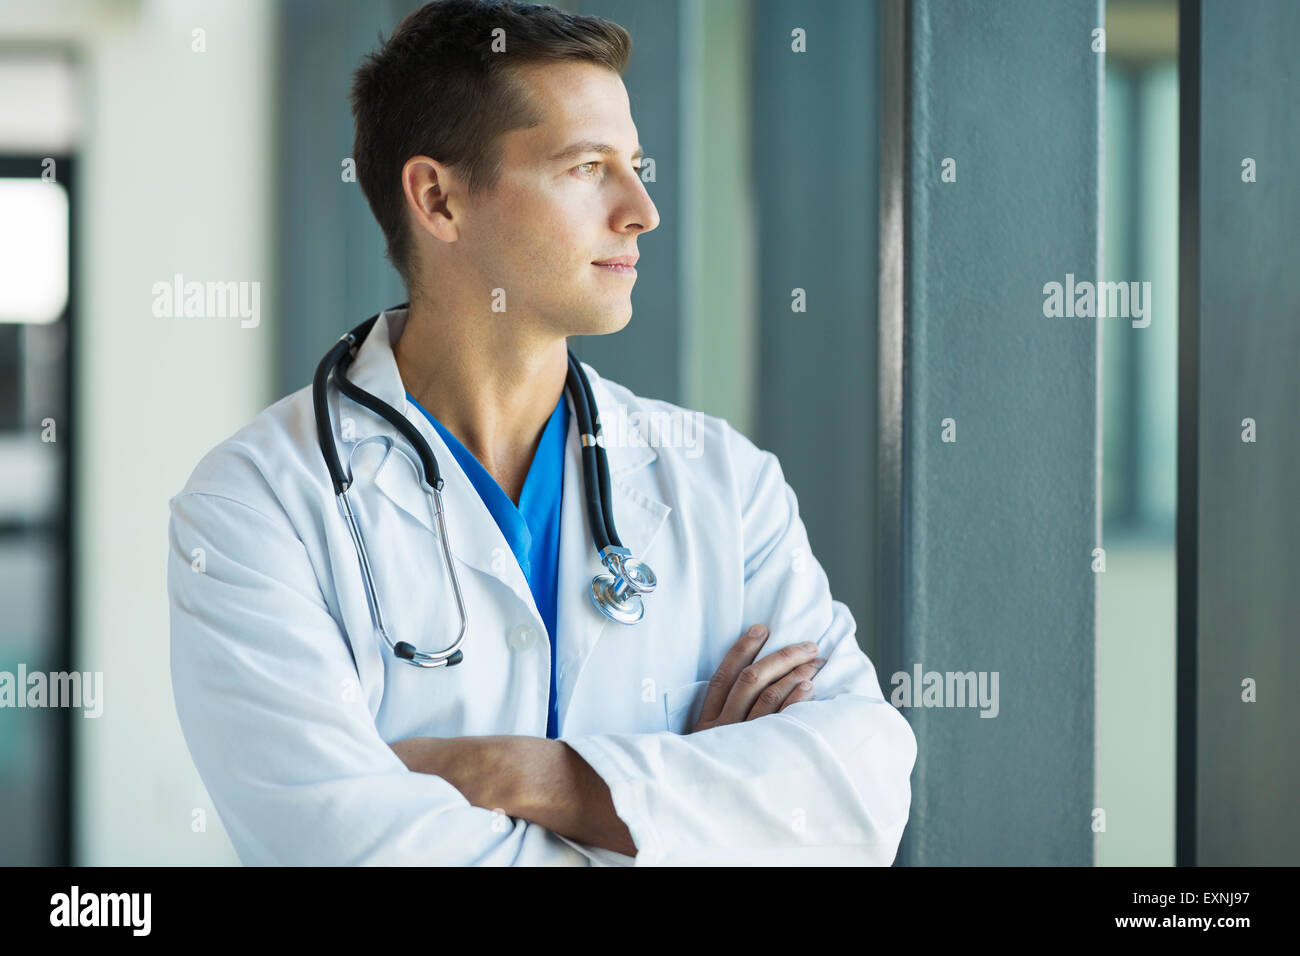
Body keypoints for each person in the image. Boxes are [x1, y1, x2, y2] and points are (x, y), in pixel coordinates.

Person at [167, 0, 916, 866]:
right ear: (439, 199)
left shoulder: (724, 483)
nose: (642, 210)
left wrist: (544, 777)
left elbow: (862, 791)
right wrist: (687, 812)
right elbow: (352, 851)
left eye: (636, 167)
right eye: (587, 168)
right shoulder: (254, 508)